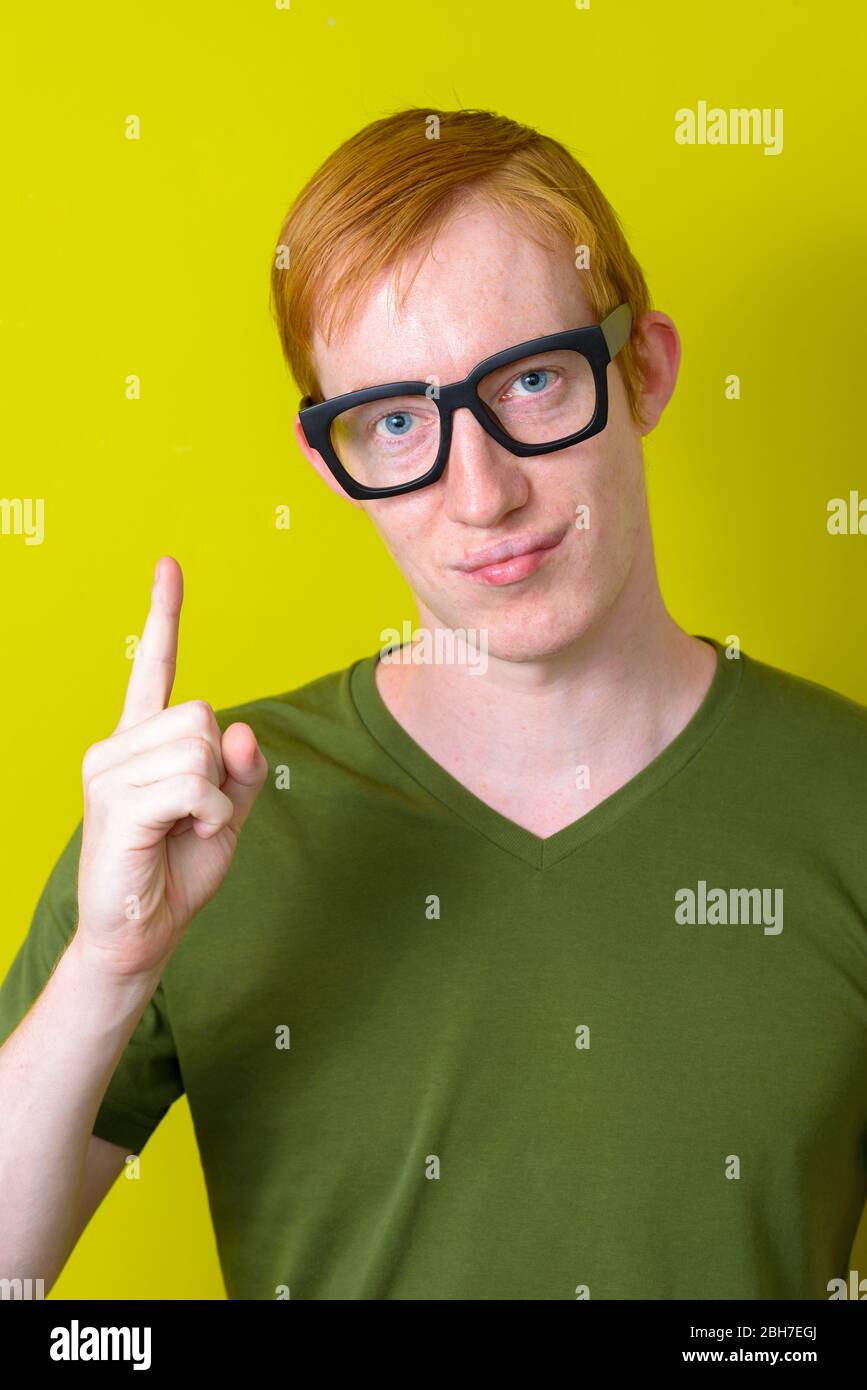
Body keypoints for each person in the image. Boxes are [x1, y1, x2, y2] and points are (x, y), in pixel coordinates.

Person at [1, 107, 865, 1302]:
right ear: (333, 464)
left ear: (646, 370)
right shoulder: (199, 820)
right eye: (397, 421)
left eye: (532, 381)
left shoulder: (847, 797)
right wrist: (107, 963)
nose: (481, 491)